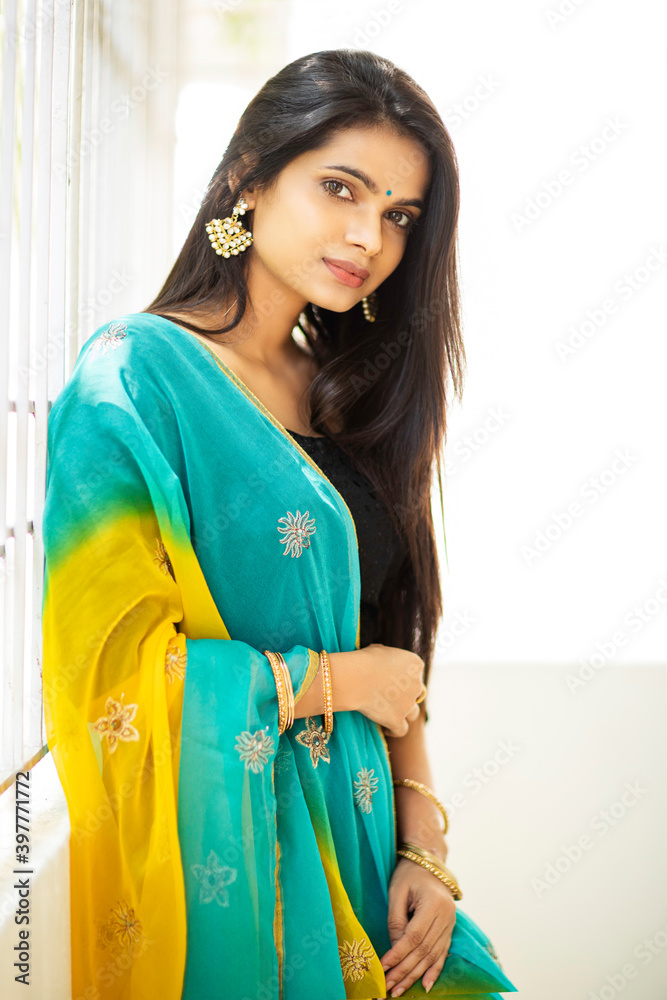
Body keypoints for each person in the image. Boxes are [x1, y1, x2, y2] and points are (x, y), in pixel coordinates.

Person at [42, 49, 517, 999]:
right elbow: (114, 686)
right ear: (246, 178)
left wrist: (424, 844)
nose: (367, 236)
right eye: (339, 187)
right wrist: (341, 681)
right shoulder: (132, 380)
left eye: (397, 215)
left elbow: (393, 645)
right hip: (242, 869)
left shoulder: (347, 389)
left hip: (379, 866)